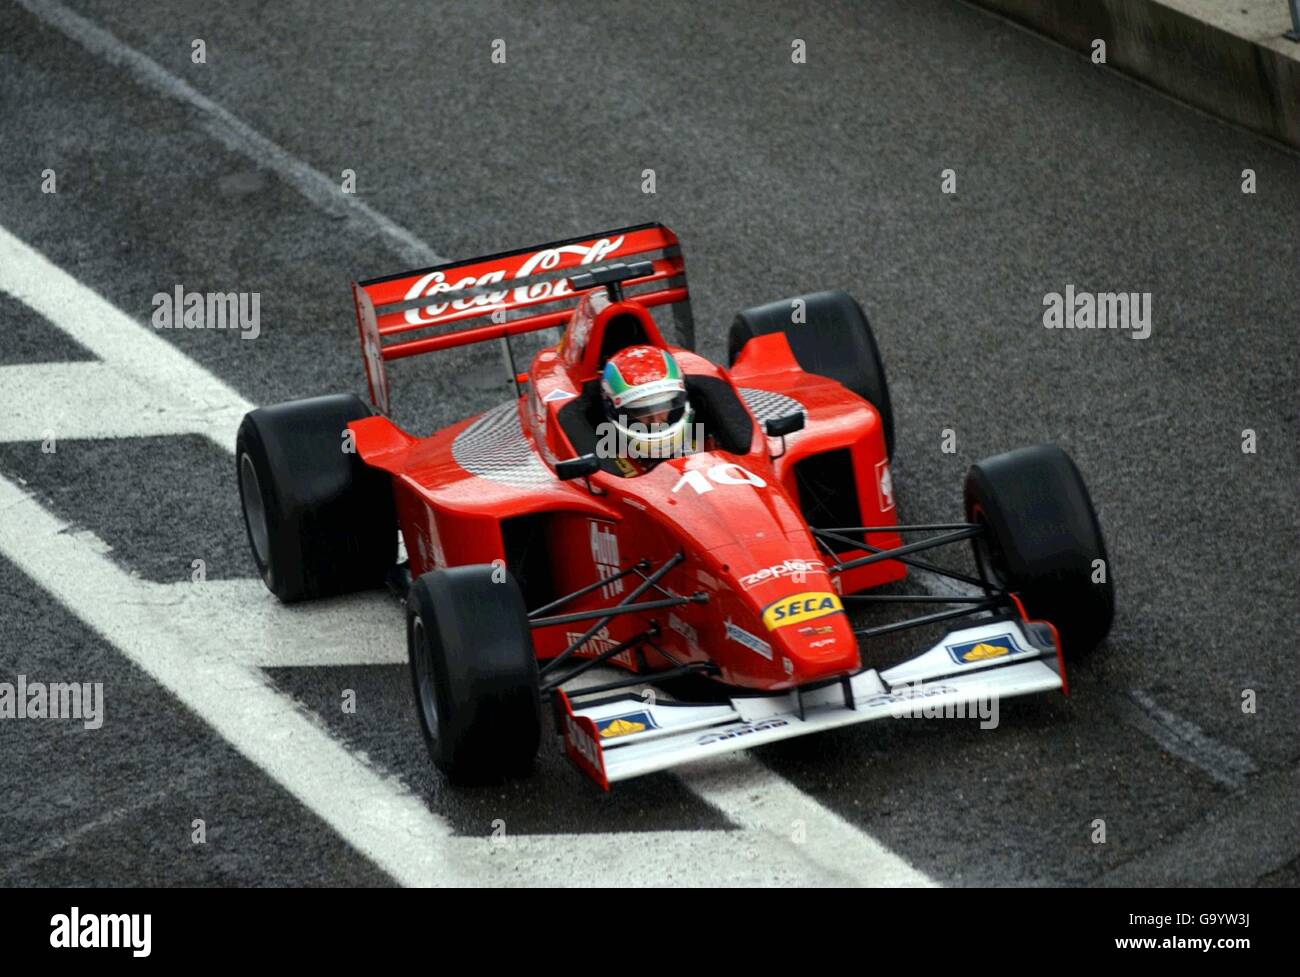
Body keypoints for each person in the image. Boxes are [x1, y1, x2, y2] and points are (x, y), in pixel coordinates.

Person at [598, 345, 696, 473]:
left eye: (663, 406)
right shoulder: (606, 459)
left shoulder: (708, 438)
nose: (656, 422)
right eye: (640, 411)